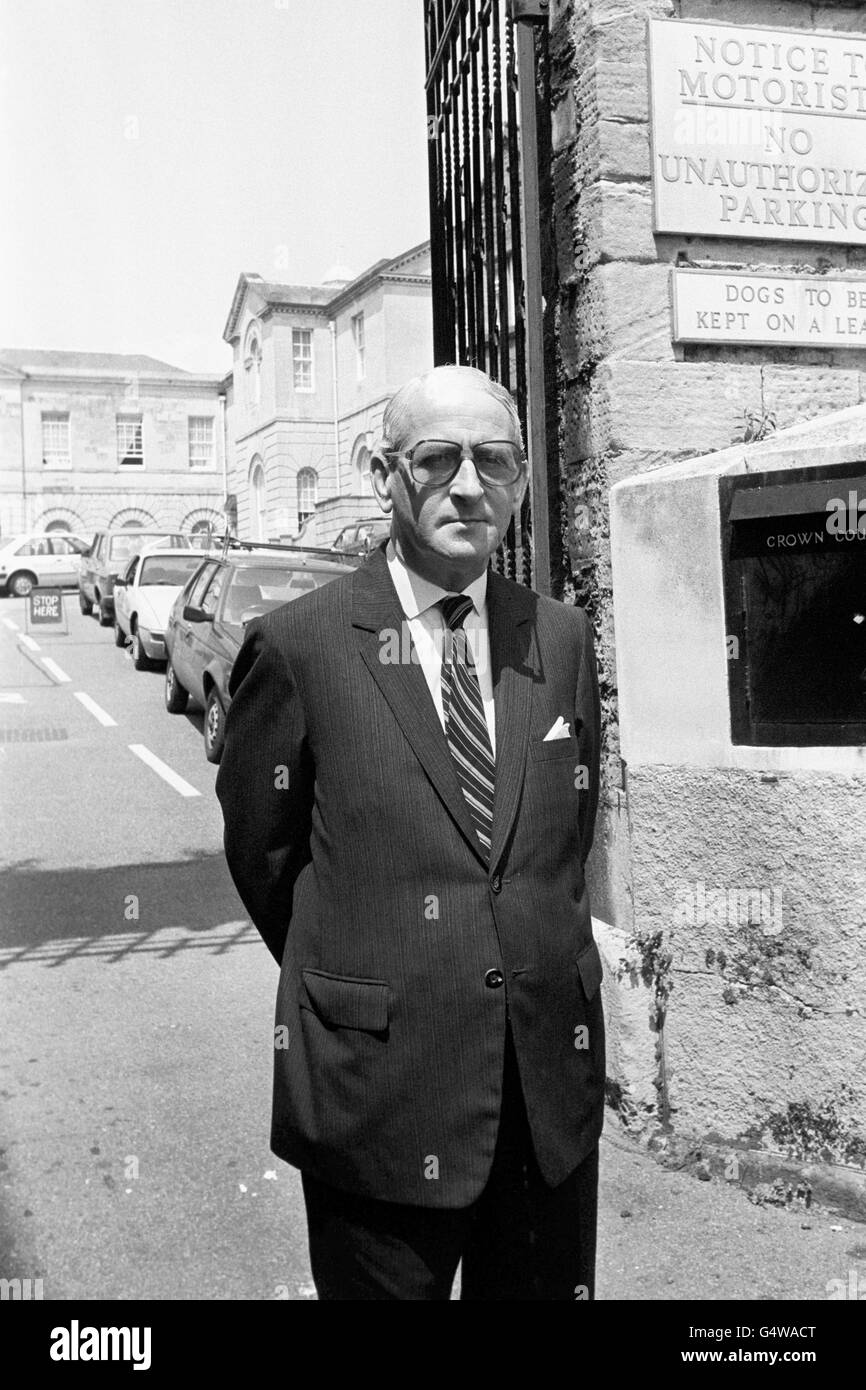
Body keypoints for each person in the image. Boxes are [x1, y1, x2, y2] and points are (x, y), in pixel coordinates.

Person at [215, 364, 604, 1301]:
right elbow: (267, 858)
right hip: (379, 1101)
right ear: (388, 473)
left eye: (497, 461)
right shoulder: (302, 645)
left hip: (543, 1096)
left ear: (519, 481)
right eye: (439, 459)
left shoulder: (559, 639)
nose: (470, 486)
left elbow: (561, 843)